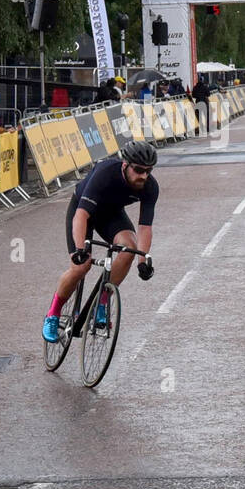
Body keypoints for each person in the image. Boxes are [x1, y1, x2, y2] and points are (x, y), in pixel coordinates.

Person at [42, 141, 159, 343]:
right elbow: (80, 216)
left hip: (111, 215)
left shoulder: (150, 186)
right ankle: (53, 314)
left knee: (129, 248)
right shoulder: (106, 173)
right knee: (80, 267)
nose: (143, 176)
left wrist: (143, 261)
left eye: (148, 171)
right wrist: (80, 250)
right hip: (83, 211)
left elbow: (145, 227)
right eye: (139, 170)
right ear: (125, 165)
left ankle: (102, 304)